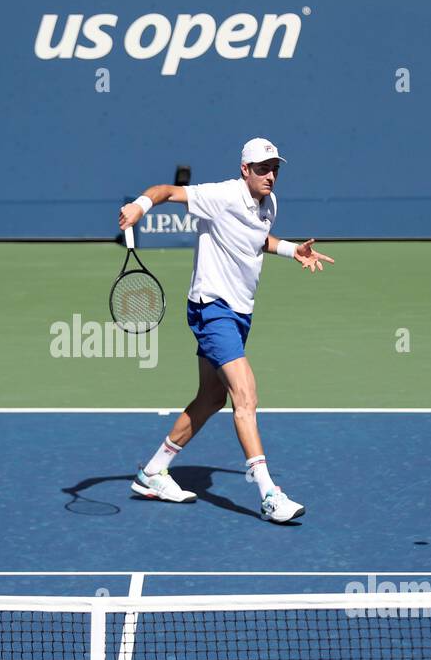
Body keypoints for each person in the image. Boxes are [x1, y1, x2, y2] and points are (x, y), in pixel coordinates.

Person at [120, 138, 333, 523]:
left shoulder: (269, 204)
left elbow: (254, 241)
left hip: (239, 313)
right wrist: (140, 205)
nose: (271, 175)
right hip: (211, 308)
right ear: (244, 169)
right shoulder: (220, 195)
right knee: (245, 394)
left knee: (211, 398)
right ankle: (269, 494)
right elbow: (166, 191)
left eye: (275, 169)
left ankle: (152, 472)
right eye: (263, 168)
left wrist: (291, 250)